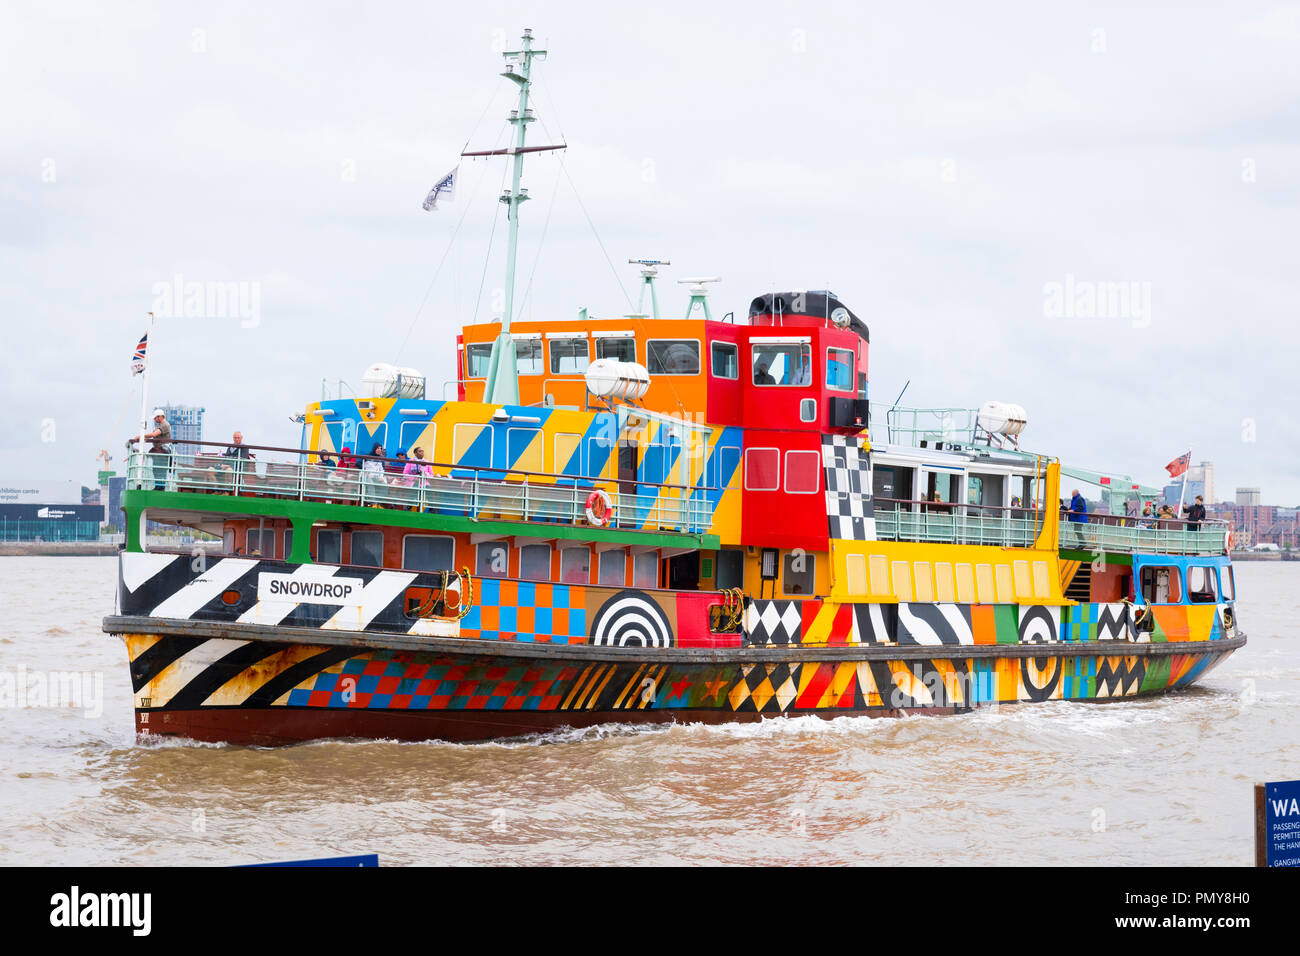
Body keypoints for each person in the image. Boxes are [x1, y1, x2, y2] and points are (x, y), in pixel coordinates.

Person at [132, 408, 171, 490]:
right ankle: (158, 486)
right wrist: (144, 439)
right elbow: (155, 436)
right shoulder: (161, 425)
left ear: (160, 417)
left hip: (162, 449)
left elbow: (154, 434)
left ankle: (160, 487)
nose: (154, 419)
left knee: (160, 469)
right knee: (157, 468)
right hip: (160, 449)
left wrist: (141, 436)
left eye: (155, 418)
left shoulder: (164, 425)